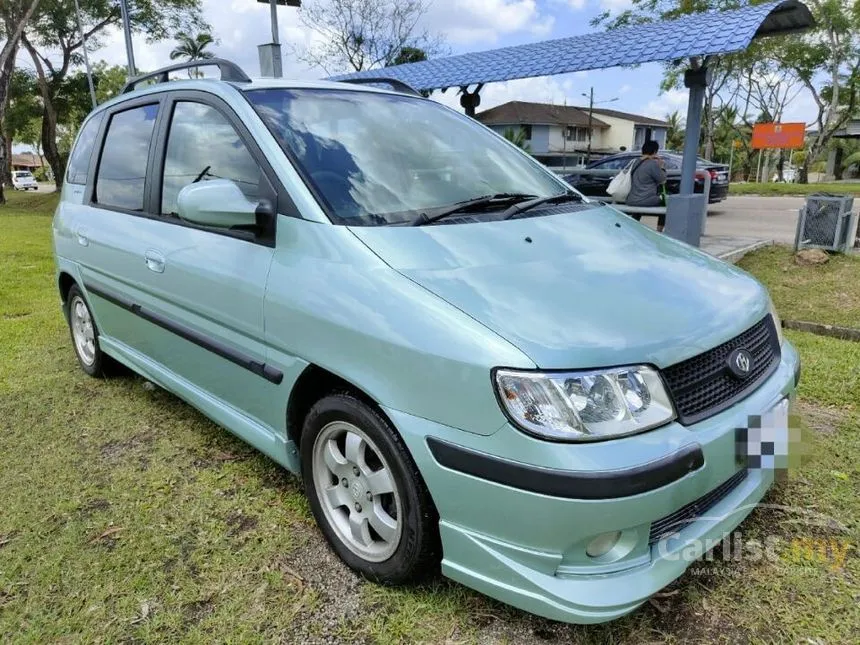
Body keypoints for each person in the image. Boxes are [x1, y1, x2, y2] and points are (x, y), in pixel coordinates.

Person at [627, 140, 667, 232]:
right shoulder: (652, 164)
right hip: (645, 200)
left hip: (632, 199)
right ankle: (658, 232)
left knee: (640, 203)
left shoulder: (636, 162)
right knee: (664, 204)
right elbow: (663, 180)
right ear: (654, 151)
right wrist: (662, 166)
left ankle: (632, 228)